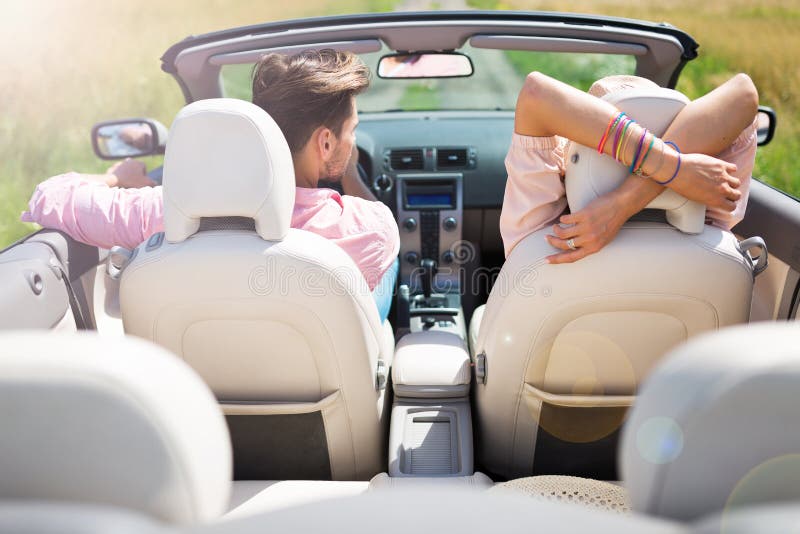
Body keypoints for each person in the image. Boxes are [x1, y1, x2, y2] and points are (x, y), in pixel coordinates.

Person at [20, 49, 399, 321]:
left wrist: (119, 180)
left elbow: (48, 198)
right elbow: (385, 232)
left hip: (208, 403)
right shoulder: (366, 230)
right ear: (326, 142)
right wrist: (350, 174)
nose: (352, 141)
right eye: (352, 131)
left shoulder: (169, 212)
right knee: (386, 269)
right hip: (320, 410)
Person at [501, 72, 758, 264]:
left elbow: (537, 93)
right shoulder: (712, 217)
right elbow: (744, 92)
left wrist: (623, 203)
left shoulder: (545, 236)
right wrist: (677, 170)